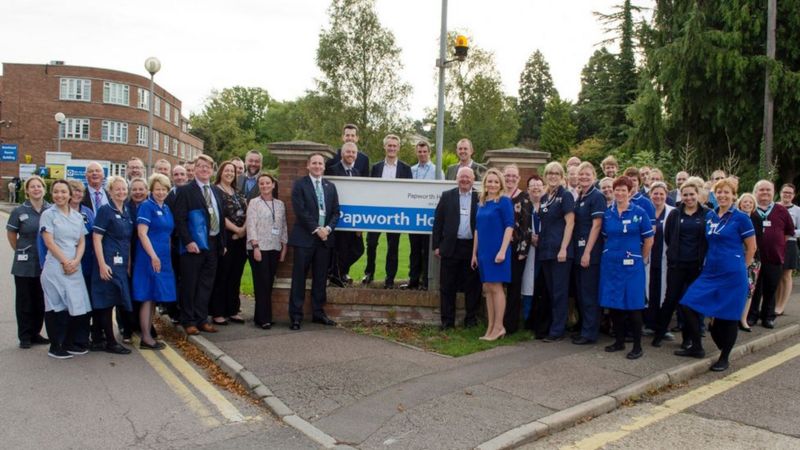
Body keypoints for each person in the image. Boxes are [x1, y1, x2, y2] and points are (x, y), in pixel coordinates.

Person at [679, 178, 756, 371]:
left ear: (733, 195)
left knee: (728, 317)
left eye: (726, 192)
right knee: (688, 304)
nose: (722, 195)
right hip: (710, 272)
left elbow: (752, 247)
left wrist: (741, 267)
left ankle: (724, 357)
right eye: (719, 192)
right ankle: (696, 346)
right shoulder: (711, 216)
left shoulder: (741, 218)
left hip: (732, 274)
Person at [600, 176, 654, 360]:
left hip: (632, 266)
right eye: (617, 190)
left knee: (634, 305)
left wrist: (642, 257)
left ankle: (638, 345)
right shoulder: (608, 213)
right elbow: (606, 236)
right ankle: (619, 340)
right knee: (615, 304)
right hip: (612, 265)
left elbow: (649, 239)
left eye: (624, 190)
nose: (620, 193)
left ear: (630, 192)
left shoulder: (639, 212)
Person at [651, 180, 709, 348]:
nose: (689, 198)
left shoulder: (706, 214)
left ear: (698, 195)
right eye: (685, 195)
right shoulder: (675, 214)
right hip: (677, 265)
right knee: (670, 299)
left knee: (691, 303)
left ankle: (689, 338)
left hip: (697, 266)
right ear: (681, 196)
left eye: (692, 194)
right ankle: (659, 333)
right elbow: (668, 237)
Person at [174, 154, 226, 335]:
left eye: (208, 167)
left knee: (206, 284)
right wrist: (188, 241)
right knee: (190, 283)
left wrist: (222, 242)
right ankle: (188, 320)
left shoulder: (215, 191)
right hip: (193, 245)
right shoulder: (185, 191)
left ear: (212, 170)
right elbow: (179, 219)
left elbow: (220, 217)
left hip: (212, 244)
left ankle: (201, 318)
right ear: (195, 169)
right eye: (201, 166)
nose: (204, 169)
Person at [39, 180, 92, 359]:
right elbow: (49, 242)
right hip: (55, 266)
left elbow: (82, 241)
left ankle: (69, 343)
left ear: (70, 195)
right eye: (56, 192)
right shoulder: (48, 214)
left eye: (63, 192)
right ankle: (55, 346)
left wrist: (76, 261)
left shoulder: (77, 216)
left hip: (74, 267)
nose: (59, 195)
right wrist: (65, 262)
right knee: (56, 307)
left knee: (75, 306)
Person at [288, 153, 340, 330]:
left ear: (324, 167)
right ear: (308, 166)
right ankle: (296, 316)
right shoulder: (299, 185)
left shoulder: (330, 187)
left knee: (320, 278)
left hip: (325, 240)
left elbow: (336, 212)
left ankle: (318, 313)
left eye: (320, 163)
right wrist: (317, 229)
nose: (318, 166)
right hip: (305, 239)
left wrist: (328, 229)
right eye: (314, 163)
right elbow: (300, 211)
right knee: (299, 278)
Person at [432, 167, 481, 330]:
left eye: (468, 177)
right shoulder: (447, 196)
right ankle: (447, 322)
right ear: (457, 179)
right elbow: (438, 222)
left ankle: (471, 320)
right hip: (450, 247)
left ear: (473, 179)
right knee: (447, 286)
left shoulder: (480, 197)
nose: (465, 180)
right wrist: (436, 246)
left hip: (472, 248)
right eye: (462, 177)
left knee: (472, 286)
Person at [132, 174, 175, 350]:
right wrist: (153, 256)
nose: (161, 192)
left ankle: (148, 334)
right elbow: (142, 233)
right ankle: (146, 337)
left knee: (154, 298)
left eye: (164, 189)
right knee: (147, 297)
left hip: (163, 257)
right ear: (151, 189)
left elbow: (168, 233)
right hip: (149, 257)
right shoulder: (146, 207)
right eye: (157, 189)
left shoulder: (166, 208)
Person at [92, 175, 134, 355]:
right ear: (110, 191)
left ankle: (105, 338)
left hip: (122, 264)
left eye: (124, 189)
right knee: (107, 302)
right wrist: (102, 264)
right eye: (117, 189)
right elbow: (96, 237)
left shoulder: (127, 211)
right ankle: (110, 341)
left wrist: (129, 263)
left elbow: (128, 240)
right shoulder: (105, 210)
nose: (121, 192)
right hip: (108, 263)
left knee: (117, 300)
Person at [363, 134, 412, 288]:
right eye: (389, 145)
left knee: (393, 246)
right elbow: (370, 189)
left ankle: (390, 279)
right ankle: (369, 273)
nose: (391, 148)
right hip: (377, 212)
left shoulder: (406, 168)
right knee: (371, 243)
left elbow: (408, 192)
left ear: (398, 148)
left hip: (396, 213)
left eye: (394, 146)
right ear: (384, 147)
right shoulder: (376, 167)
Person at [7, 176, 50, 349]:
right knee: (25, 300)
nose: (36, 189)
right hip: (24, 264)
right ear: (27, 190)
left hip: (44, 263)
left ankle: (35, 333)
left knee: (40, 300)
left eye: (39, 186)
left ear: (43, 189)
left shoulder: (50, 209)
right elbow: (11, 234)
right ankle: (24, 335)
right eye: (32, 187)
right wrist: (20, 250)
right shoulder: (19, 211)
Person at [472, 168, 514, 341]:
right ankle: (490, 326)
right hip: (483, 251)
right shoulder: (481, 202)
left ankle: (499, 327)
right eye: (490, 181)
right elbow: (477, 230)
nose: (492, 184)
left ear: (501, 184)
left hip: (498, 251)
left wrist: (503, 251)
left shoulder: (504, 201)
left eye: (496, 182)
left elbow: (509, 226)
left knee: (496, 288)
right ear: (485, 183)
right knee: (487, 289)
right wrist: (474, 253)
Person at [747, 179, 794, 328]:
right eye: (762, 190)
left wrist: (776, 243)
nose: (765, 192)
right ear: (756, 192)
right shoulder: (750, 209)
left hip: (774, 257)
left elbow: (788, 233)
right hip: (755, 258)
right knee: (754, 289)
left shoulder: (781, 210)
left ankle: (768, 316)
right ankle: (752, 315)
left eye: (768, 190)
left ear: (773, 193)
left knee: (771, 288)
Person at [537, 161, 575, 342]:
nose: (552, 176)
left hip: (560, 252)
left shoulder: (565, 196)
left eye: (556, 173)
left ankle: (558, 330)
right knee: (551, 291)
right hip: (545, 250)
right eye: (549, 173)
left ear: (562, 177)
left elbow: (570, 223)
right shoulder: (545, 198)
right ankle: (554, 325)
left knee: (560, 291)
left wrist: (564, 248)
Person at [246, 173, 287, 329]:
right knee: (261, 283)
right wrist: (255, 247)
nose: (264, 186)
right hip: (259, 248)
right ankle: (264, 319)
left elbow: (283, 226)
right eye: (261, 183)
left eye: (267, 183)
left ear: (273, 185)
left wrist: (284, 247)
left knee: (268, 283)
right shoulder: (254, 203)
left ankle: (261, 316)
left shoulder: (280, 204)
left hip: (274, 248)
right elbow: (250, 225)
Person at [571, 162, 605, 345]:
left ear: (594, 175)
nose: (583, 177)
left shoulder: (596, 196)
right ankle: (584, 327)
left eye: (587, 174)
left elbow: (597, 225)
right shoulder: (580, 196)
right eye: (580, 174)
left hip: (590, 252)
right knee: (581, 293)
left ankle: (590, 333)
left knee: (589, 293)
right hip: (578, 249)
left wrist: (587, 252)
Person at [210, 161, 248, 326]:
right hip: (225, 237)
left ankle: (233, 310)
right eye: (226, 170)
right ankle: (218, 312)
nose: (229, 173)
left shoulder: (238, 192)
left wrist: (242, 231)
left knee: (235, 275)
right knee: (222, 275)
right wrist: (236, 230)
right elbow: (218, 215)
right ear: (220, 172)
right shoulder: (215, 191)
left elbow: (247, 212)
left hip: (240, 239)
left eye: (232, 171)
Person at [404, 140, 444, 290]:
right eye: (419, 152)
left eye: (424, 151)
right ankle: (413, 280)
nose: (422, 154)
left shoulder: (437, 171)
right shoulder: (411, 170)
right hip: (414, 217)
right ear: (417, 153)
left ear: (429, 152)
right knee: (414, 250)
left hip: (429, 218)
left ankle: (426, 282)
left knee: (428, 251)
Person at [325, 142, 364, 285]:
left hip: (352, 219)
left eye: (354, 152)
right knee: (339, 250)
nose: (351, 155)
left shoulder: (357, 173)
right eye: (348, 152)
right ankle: (337, 275)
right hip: (336, 218)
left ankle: (342, 272)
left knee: (357, 249)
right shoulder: (332, 170)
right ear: (342, 153)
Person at [501, 164, 531, 335]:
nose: (510, 179)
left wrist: (522, 251)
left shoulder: (523, 198)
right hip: (498, 249)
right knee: (499, 286)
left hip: (516, 249)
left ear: (519, 179)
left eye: (513, 176)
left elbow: (526, 228)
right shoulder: (498, 196)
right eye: (507, 175)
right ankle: (497, 321)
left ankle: (510, 325)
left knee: (514, 287)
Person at [67, 179, 95, 351]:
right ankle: (69, 339)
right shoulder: (56, 213)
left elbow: (95, 235)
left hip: (87, 264)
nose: (77, 194)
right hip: (67, 265)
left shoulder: (88, 212)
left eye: (80, 191)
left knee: (86, 303)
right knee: (70, 303)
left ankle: (83, 338)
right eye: (74, 190)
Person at [644, 182, 675, 334]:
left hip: (665, 257)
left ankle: (663, 326)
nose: (658, 196)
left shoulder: (672, 212)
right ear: (650, 195)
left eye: (661, 193)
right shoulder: (644, 211)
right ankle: (650, 324)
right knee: (649, 290)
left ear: (666, 195)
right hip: (648, 257)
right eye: (655, 193)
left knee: (664, 291)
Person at [521, 176, 545, 335]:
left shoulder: (548, 205)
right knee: (528, 285)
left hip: (544, 251)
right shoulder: (524, 206)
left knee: (542, 286)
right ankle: (527, 320)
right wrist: (530, 238)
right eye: (532, 186)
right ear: (528, 189)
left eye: (539, 185)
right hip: (527, 251)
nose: (536, 188)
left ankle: (541, 321)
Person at [736, 193, 759, 332]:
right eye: (745, 202)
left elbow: (758, 241)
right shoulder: (735, 218)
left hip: (753, 259)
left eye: (750, 202)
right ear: (740, 204)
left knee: (749, 290)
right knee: (736, 289)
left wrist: (749, 260)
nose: (747, 204)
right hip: (737, 257)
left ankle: (743, 319)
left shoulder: (756, 219)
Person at [775, 183, 799, 316]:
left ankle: (781, 306)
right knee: (777, 275)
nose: (787, 195)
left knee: (786, 275)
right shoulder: (774, 207)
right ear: (780, 193)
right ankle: (775, 303)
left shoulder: (797, 211)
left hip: (790, 244)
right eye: (785, 192)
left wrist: (788, 232)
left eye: (790, 193)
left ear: (793, 195)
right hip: (775, 245)